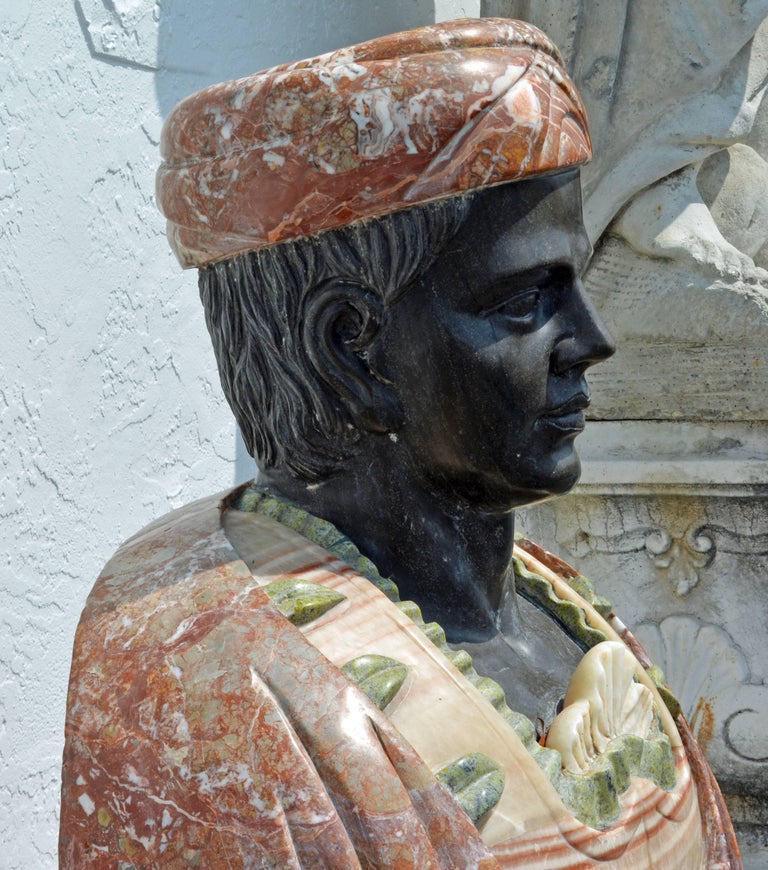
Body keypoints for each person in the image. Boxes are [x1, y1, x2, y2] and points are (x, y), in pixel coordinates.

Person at [60, 18, 739, 868]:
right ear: (351, 349)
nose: (592, 339)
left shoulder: (559, 610)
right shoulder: (199, 672)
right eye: (525, 302)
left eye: (579, 285)